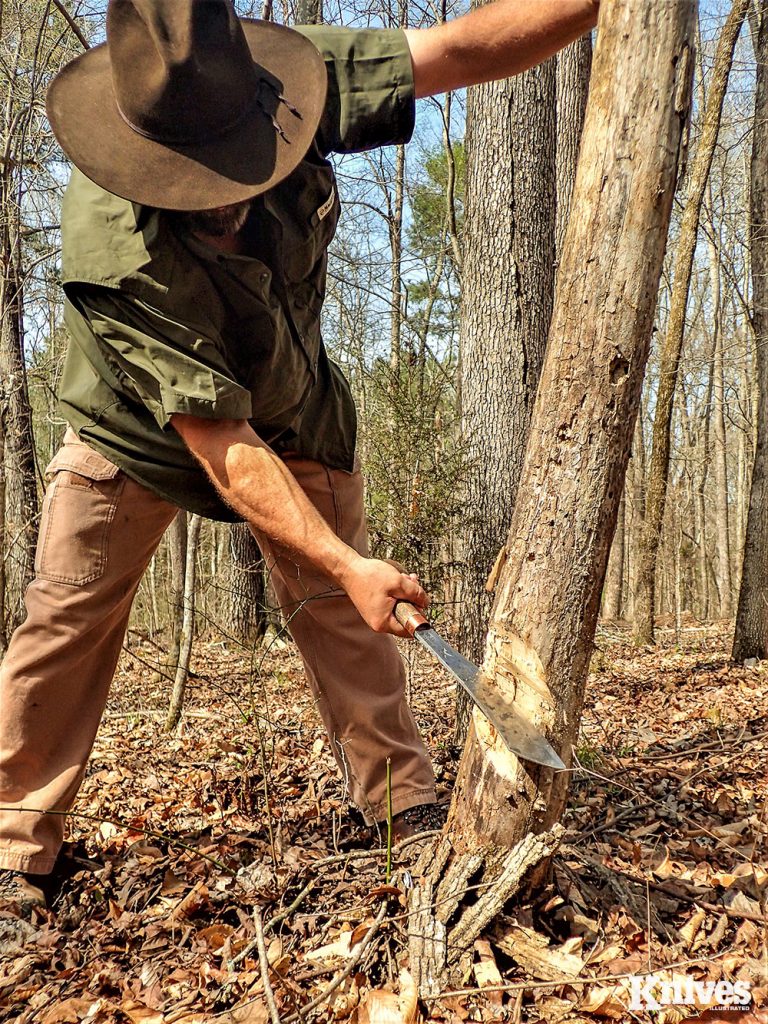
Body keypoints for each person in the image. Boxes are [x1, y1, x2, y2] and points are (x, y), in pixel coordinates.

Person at [0, 0, 598, 911]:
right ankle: (14, 847)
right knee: (67, 622)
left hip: (294, 404)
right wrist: (347, 560)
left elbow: (459, 48)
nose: (230, 197)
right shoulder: (109, 249)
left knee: (348, 611)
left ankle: (400, 806)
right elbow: (219, 442)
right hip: (134, 430)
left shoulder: (296, 81)